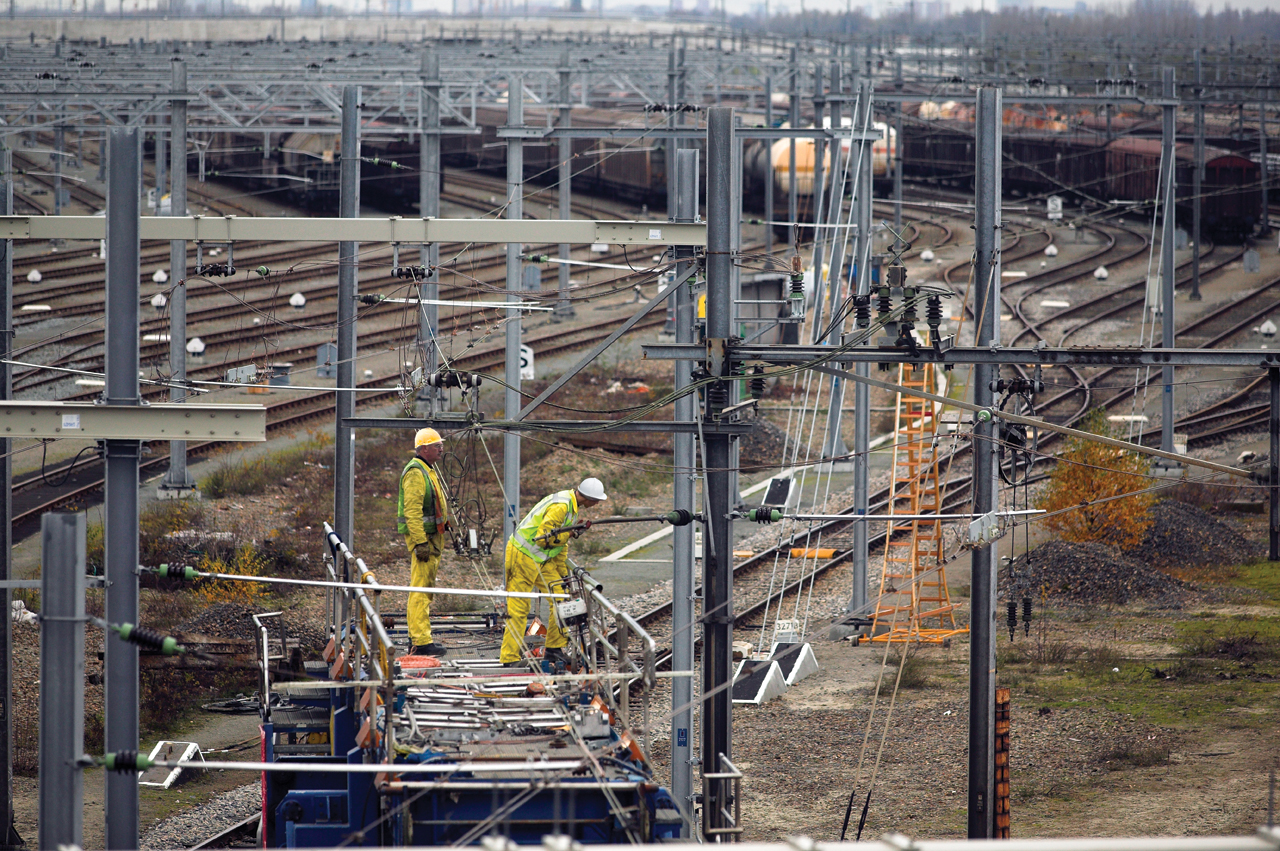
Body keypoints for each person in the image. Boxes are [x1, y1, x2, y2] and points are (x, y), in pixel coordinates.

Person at [500, 477, 607, 667]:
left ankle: (553, 649)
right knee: (519, 609)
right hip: (522, 556)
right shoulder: (561, 507)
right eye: (597, 500)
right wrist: (571, 533)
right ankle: (509, 658)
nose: (597, 503)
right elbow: (543, 538)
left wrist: (562, 574)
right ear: (589, 498)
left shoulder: (571, 507)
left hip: (540, 559)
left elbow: (560, 545)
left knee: (561, 599)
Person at [396, 427, 451, 657]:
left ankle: (419, 637)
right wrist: (420, 543)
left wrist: (444, 523)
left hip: (431, 538)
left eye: (441, 445)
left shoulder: (428, 469)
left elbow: (431, 503)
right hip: (425, 541)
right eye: (437, 445)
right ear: (424, 449)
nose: (441, 448)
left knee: (424, 589)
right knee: (420, 591)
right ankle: (420, 641)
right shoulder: (416, 473)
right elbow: (412, 511)